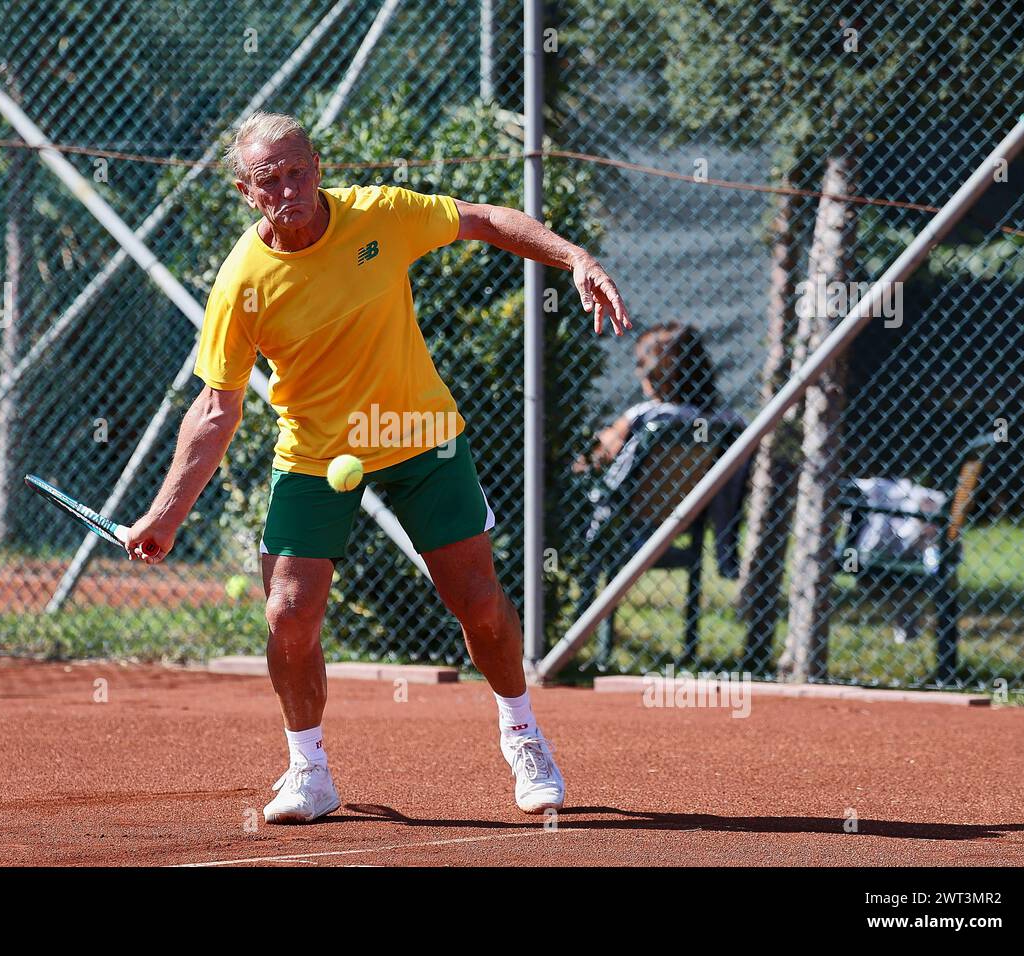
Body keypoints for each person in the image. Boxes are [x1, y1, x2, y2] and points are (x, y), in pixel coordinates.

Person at [123, 112, 630, 823]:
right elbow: (216, 410)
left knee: (478, 602)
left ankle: (522, 734)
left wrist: (572, 256)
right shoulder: (242, 282)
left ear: (319, 167)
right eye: (271, 180)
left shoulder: (380, 215)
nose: (290, 188)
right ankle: (310, 772)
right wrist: (166, 514)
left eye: (300, 170)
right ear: (246, 192)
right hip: (316, 448)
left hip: (418, 432)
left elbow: (483, 219)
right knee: (288, 617)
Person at [574, 323, 747, 661]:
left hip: (621, 530)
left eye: (643, 365)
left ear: (656, 374)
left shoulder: (643, 417)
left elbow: (593, 459)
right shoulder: (725, 422)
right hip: (680, 528)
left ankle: (573, 638)